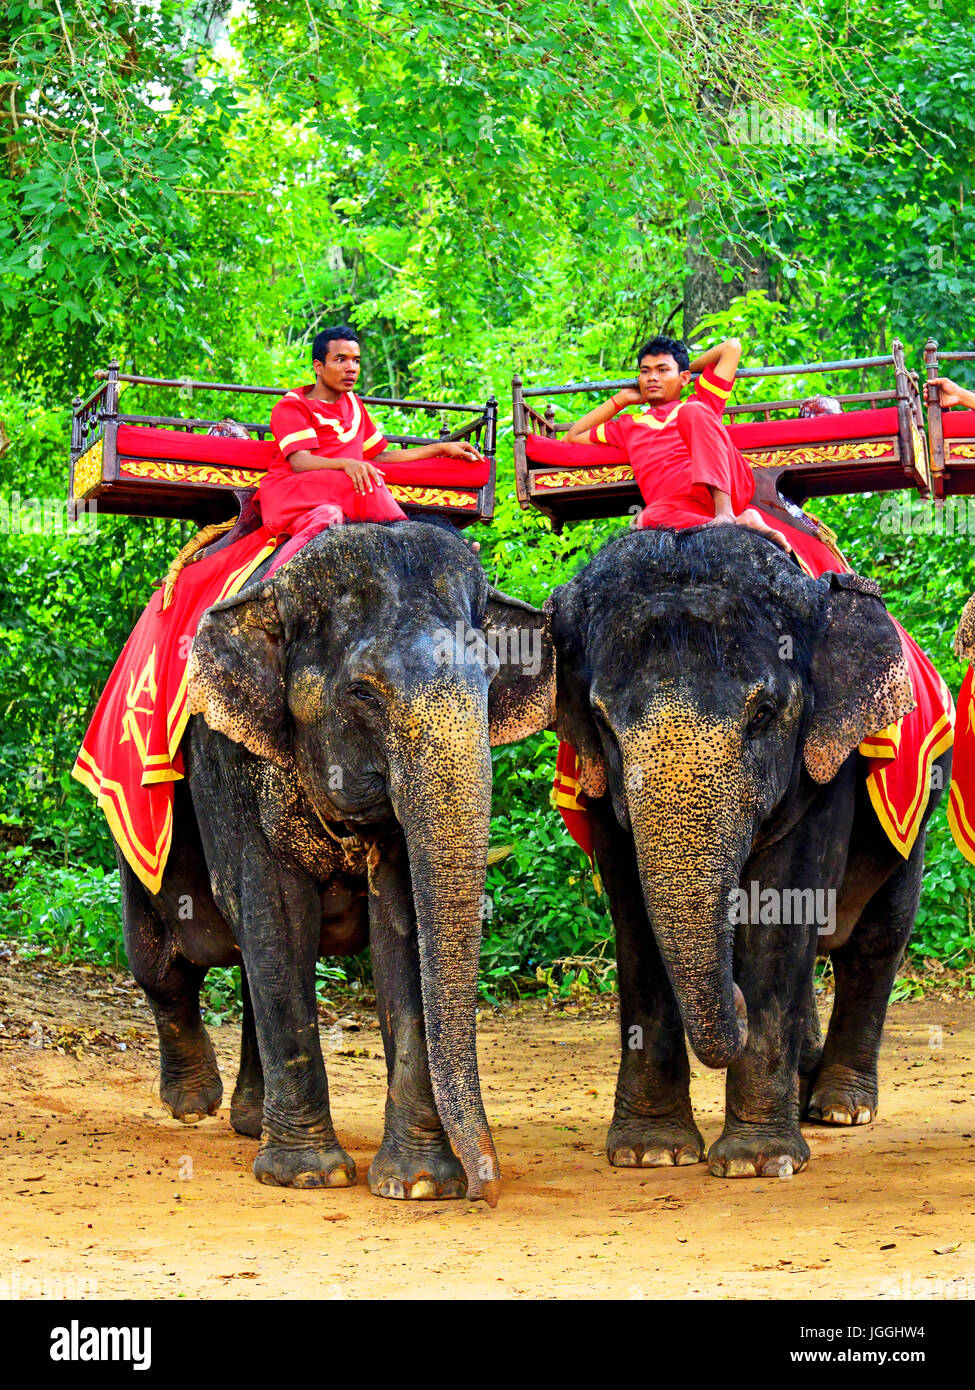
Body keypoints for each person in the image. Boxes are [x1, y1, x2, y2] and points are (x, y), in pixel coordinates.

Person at [256, 324, 485, 565]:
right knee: (362, 479)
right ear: (318, 367)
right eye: (340, 360)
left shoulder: (354, 404)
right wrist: (348, 464)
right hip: (293, 493)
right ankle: (423, 546)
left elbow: (380, 456)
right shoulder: (293, 406)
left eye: (356, 361)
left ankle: (432, 545)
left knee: (362, 475)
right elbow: (300, 461)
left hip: (335, 491)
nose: (351, 369)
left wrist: (441, 448)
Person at [564, 334, 789, 550]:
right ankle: (744, 523)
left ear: (683, 377)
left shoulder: (702, 400)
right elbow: (572, 437)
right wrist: (620, 399)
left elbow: (731, 347)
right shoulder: (627, 426)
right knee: (646, 518)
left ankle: (726, 515)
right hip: (679, 506)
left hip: (726, 489)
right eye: (645, 371)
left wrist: (688, 370)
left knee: (693, 411)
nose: (652, 377)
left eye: (663, 370)